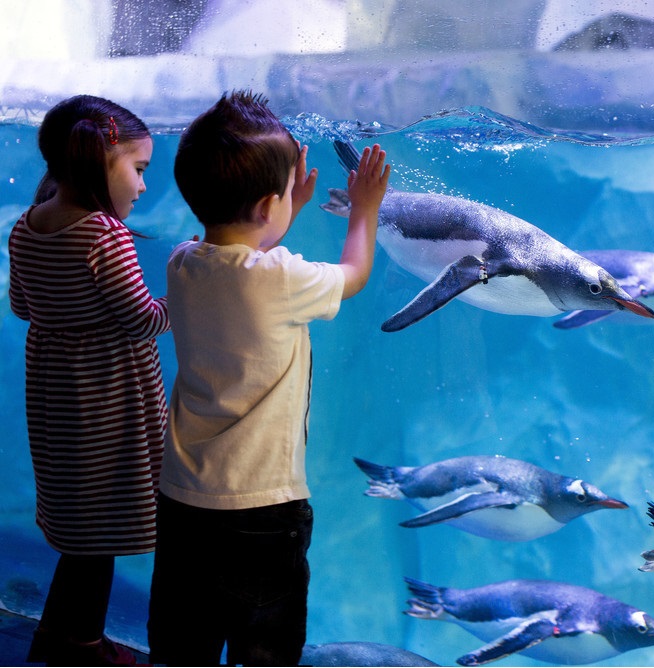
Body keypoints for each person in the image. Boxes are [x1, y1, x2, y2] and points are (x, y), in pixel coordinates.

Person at [147, 90, 389, 666]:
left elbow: (239, 257)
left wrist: (284, 206)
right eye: (285, 192)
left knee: (182, 647)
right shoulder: (282, 279)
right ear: (265, 207)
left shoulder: (182, 263)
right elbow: (354, 274)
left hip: (184, 502)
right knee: (265, 651)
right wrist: (365, 207)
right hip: (263, 511)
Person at [7, 95, 170, 665]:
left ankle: (58, 638)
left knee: (81, 530)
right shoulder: (105, 234)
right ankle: (81, 648)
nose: (143, 186)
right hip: (108, 399)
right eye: (139, 169)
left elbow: (22, 306)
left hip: (57, 396)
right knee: (101, 535)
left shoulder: (26, 226)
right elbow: (142, 319)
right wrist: (187, 296)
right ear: (101, 159)